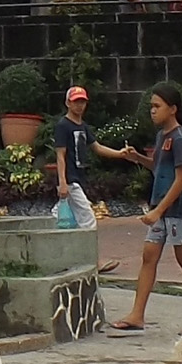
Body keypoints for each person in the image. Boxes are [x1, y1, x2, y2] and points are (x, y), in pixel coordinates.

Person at [107, 83, 182, 337]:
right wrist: (137, 158)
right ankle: (137, 315)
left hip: (179, 209)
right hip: (162, 208)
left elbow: (181, 179)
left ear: (173, 109)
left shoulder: (180, 139)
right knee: (149, 255)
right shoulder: (162, 137)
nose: (152, 111)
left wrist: (158, 211)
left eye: (157, 106)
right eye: (151, 107)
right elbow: (158, 167)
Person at [54, 86, 136, 270]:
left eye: (82, 101)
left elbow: (97, 147)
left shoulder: (83, 127)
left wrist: (120, 154)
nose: (80, 105)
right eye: (76, 101)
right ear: (68, 103)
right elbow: (60, 155)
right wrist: (63, 183)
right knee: (88, 219)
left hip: (78, 179)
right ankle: (92, 262)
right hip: (70, 180)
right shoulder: (62, 126)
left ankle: (61, 256)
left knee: (61, 218)